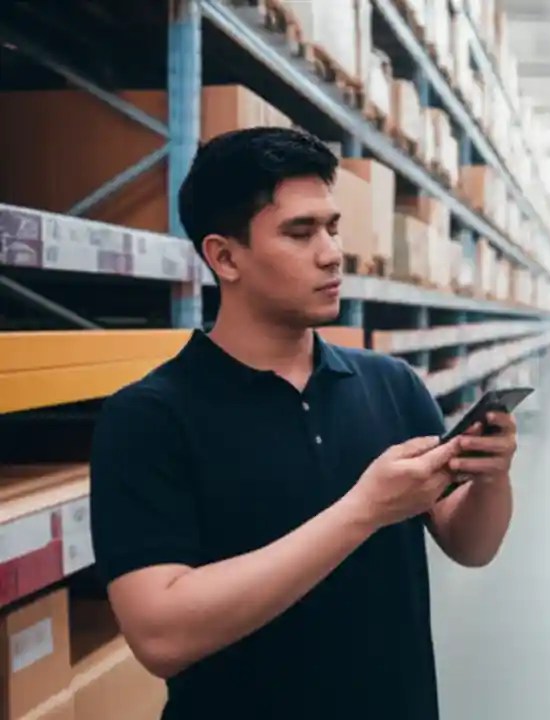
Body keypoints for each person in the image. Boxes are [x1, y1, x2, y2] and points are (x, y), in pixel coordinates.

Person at [88, 127, 517, 719]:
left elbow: (471, 546)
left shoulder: (391, 385)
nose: (331, 253)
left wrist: (491, 477)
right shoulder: (148, 418)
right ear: (224, 257)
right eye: (300, 232)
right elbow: (160, 636)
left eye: (332, 227)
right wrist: (364, 510)